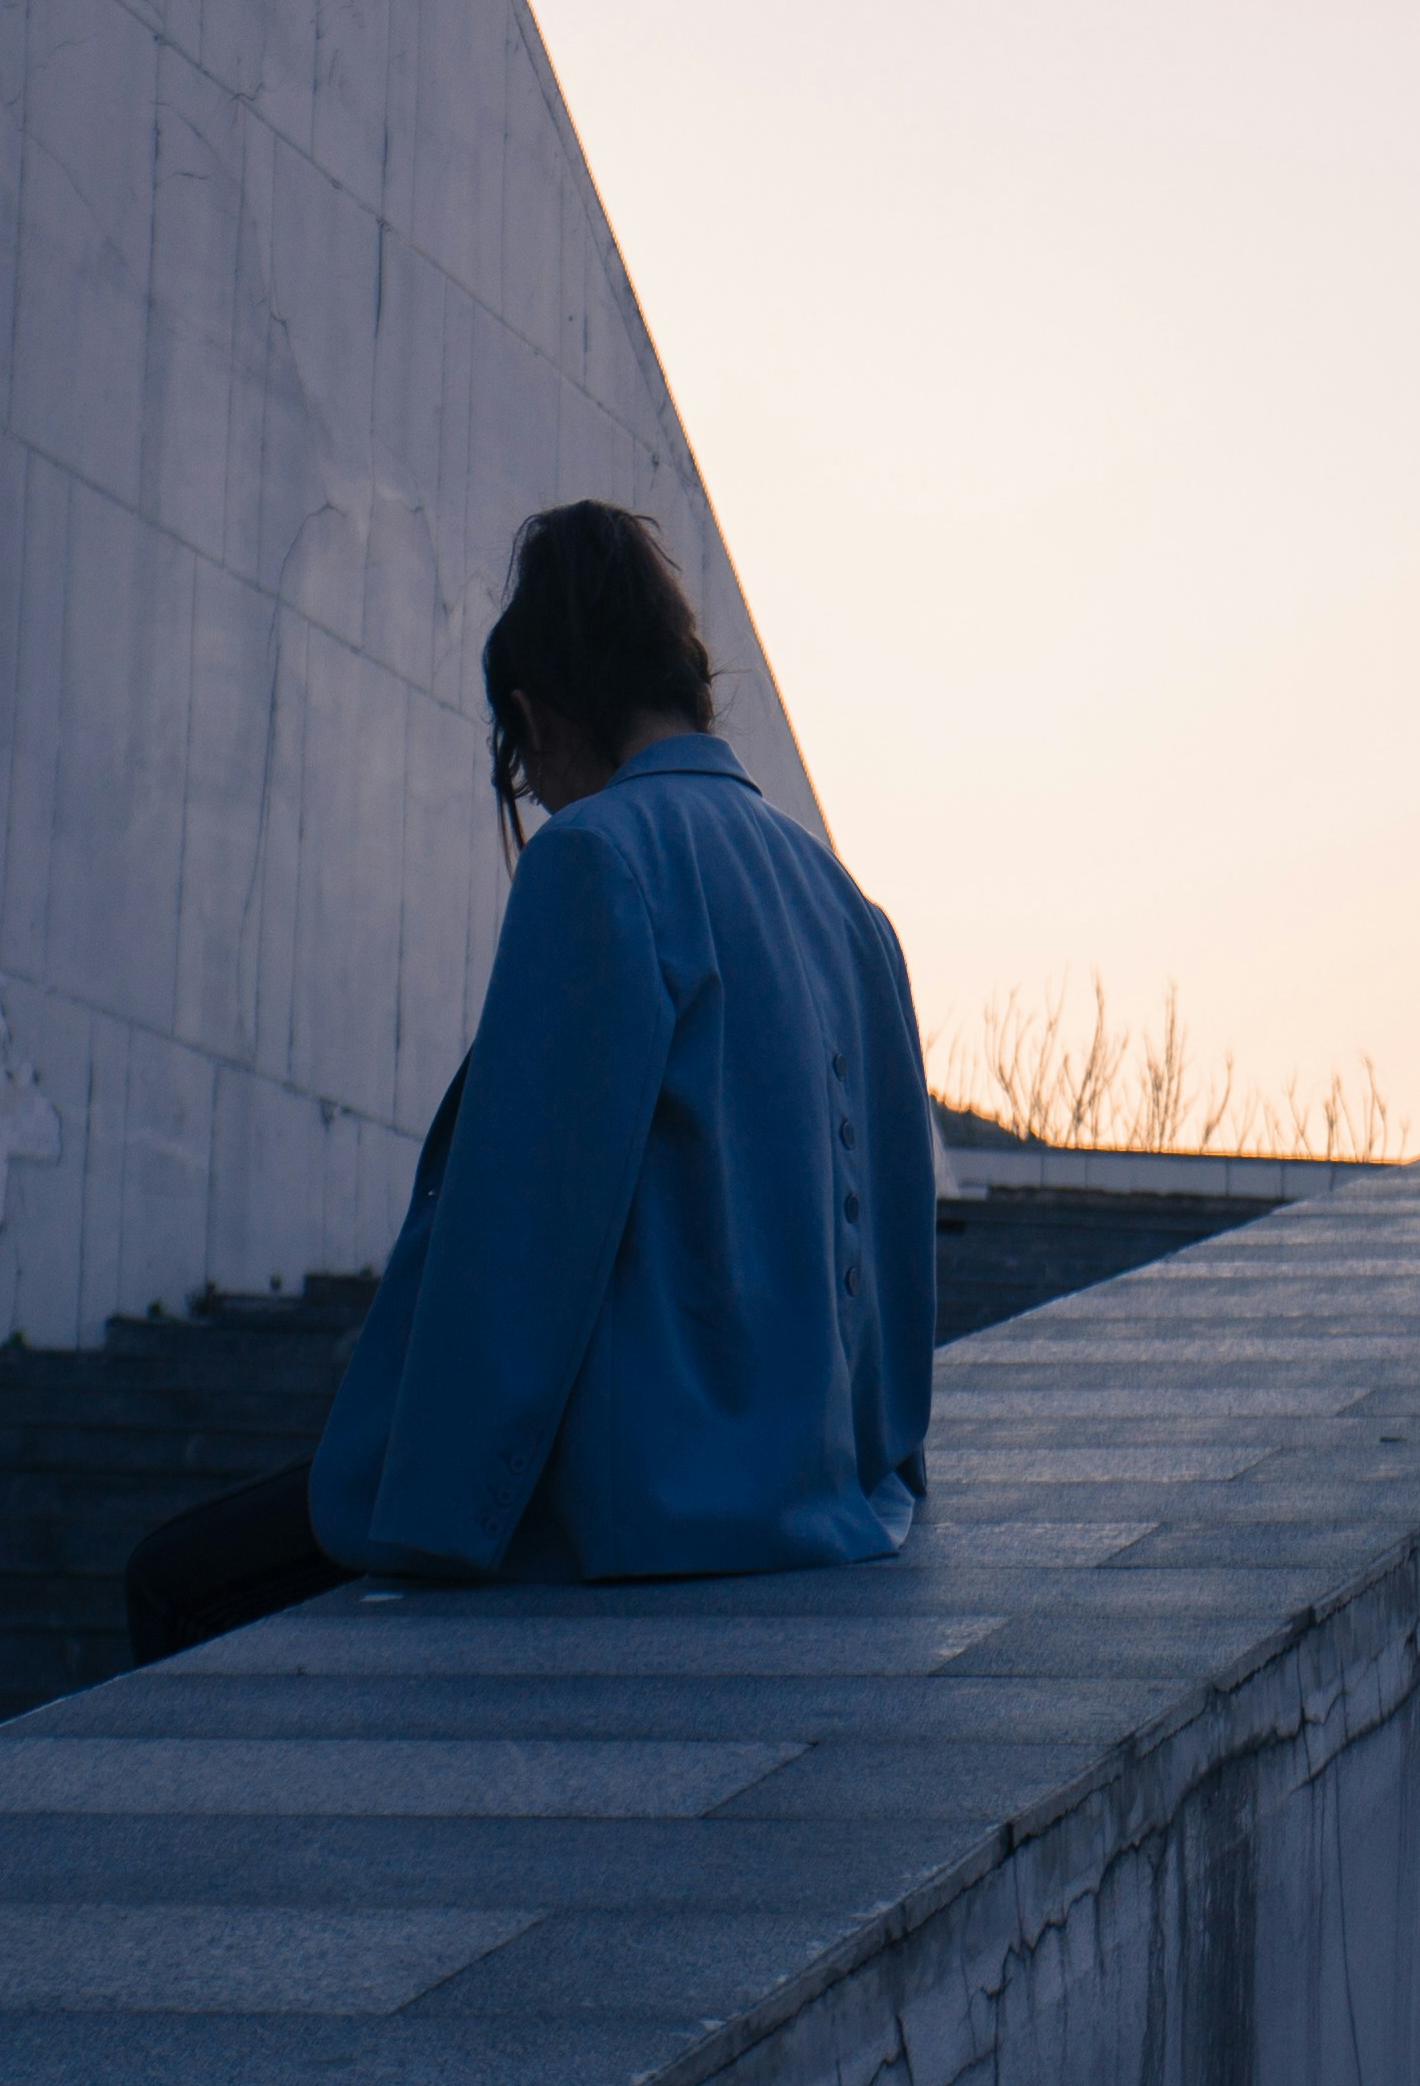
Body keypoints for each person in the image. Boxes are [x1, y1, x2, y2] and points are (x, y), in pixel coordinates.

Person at [116, 504, 935, 1662]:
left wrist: (430, 1517)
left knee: (176, 1583)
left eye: (525, 766)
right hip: (833, 1506)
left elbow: (524, 1240)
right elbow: (896, 1247)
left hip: (650, 1506)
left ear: (537, 716)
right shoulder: (852, 910)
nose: (538, 796)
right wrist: (879, 1471)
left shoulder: (597, 858)